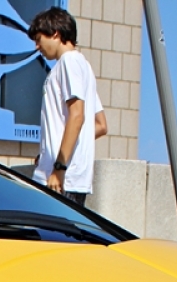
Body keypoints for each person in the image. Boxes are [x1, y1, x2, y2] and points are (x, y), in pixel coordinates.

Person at [28, 7, 107, 204]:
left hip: (60, 180)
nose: (37, 47)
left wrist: (59, 166)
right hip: (71, 179)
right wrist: (51, 149)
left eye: (39, 39)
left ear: (55, 33)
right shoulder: (84, 67)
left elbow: (77, 115)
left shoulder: (68, 63)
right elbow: (100, 124)